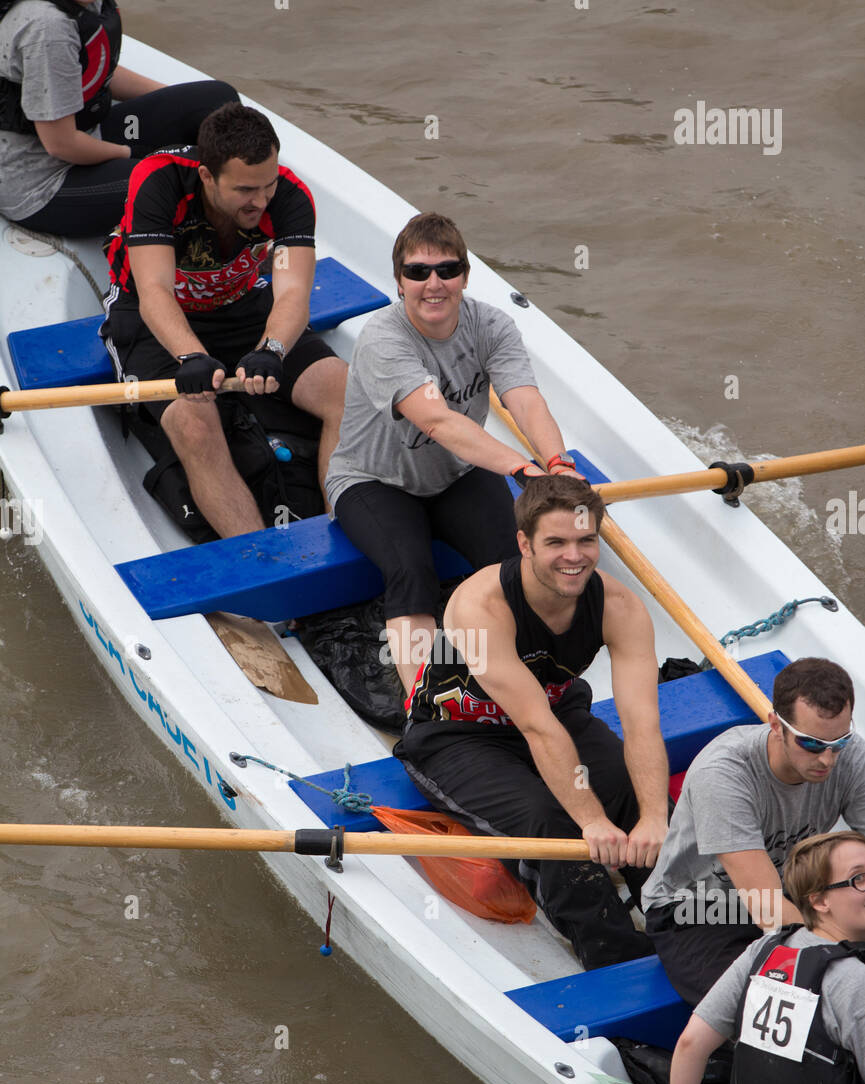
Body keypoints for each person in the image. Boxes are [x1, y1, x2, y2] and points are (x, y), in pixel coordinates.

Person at [395, 473, 670, 970]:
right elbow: (535, 727)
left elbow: (643, 724)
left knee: (641, 795)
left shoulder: (620, 606)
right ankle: (616, 962)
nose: (575, 556)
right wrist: (592, 821)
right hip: (459, 738)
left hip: (558, 715)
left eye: (587, 541)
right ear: (524, 543)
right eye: (556, 542)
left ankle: (689, 936)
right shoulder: (482, 606)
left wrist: (654, 817)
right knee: (554, 828)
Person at [325, 210, 577, 693]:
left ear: (465, 275)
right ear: (399, 282)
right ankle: (423, 707)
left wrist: (557, 463)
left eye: (446, 270)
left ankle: (529, 675)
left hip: (456, 475)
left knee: (517, 561)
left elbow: (523, 397)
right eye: (417, 272)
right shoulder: (383, 338)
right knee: (411, 570)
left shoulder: (492, 326)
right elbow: (437, 420)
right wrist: (522, 468)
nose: (433, 283)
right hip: (372, 481)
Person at [101, 100, 347, 536]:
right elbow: (154, 292)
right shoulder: (159, 180)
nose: (260, 201)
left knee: (347, 392)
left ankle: (340, 536)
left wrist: (271, 348)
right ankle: (263, 564)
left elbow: (291, 292)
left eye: (267, 185)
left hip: (243, 308)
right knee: (197, 424)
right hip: (154, 321)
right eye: (245, 191)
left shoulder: (290, 196)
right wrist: (192, 356)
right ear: (207, 176)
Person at [611, 830, 865, 1084]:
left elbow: (692, 1041)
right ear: (819, 900)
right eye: (859, 879)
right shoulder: (854, 983)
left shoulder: (764, 950)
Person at [641, 657, 865, 1007]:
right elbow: (767, 907)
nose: (828, 760)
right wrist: (845, 958)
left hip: (790, 890)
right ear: (776, 725)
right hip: (698, 908)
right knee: (769, 1008)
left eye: (839, 742)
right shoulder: (724, 775)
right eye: (812, 744)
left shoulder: (851, 756)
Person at [0, 0, 238, 234]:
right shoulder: (47, 27)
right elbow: (61, 144)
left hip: (90, 132)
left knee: (218, 101)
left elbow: (93, 68)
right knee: (180, 180)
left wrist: (177, 102)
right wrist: (128, 153)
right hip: (43, 182)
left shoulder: (87, 3)